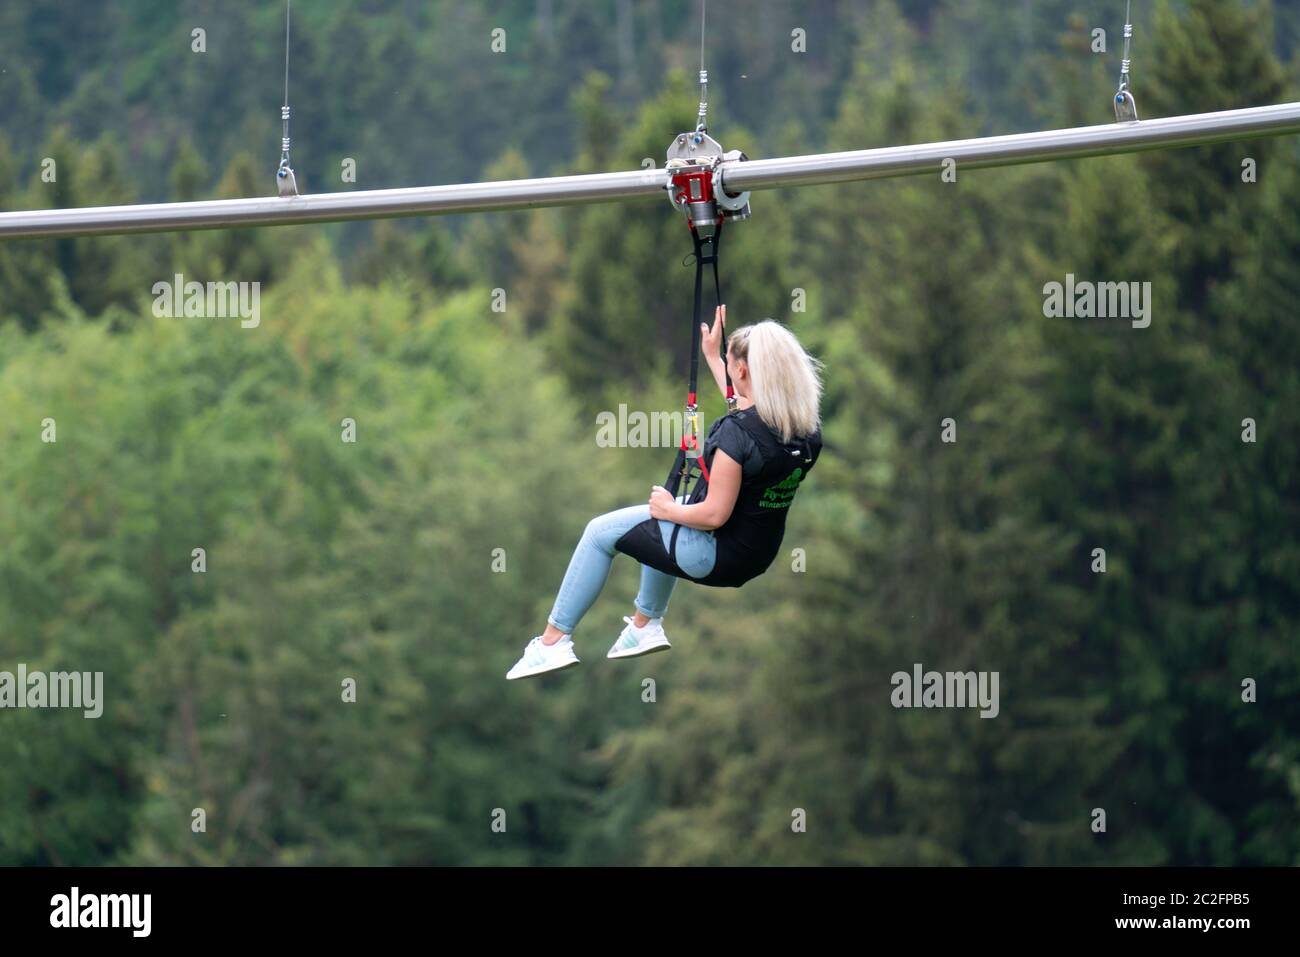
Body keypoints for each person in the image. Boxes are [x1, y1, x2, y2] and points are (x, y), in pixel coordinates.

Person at [507, 305, 825, 680]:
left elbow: (713, 515)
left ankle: (551, 644)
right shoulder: (804, 433)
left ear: (741, 370)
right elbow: (751, 413)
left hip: (715, 552)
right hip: (754, 555)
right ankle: (644, 627)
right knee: (660, 522)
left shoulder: (735, 437)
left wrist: (668, 509)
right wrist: (712, 355)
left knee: (600, 533)